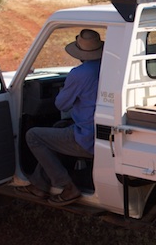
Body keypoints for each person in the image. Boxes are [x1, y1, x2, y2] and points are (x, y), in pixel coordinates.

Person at [16, 29, 103, 206]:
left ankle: (67, 186)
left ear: (79, 52)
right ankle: (40, 184)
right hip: (99, 133)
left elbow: (61, 105)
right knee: (57, 128)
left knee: (33, 136)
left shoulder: (79, 73)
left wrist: (65, 91)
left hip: (86, 138)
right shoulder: (106, 67)